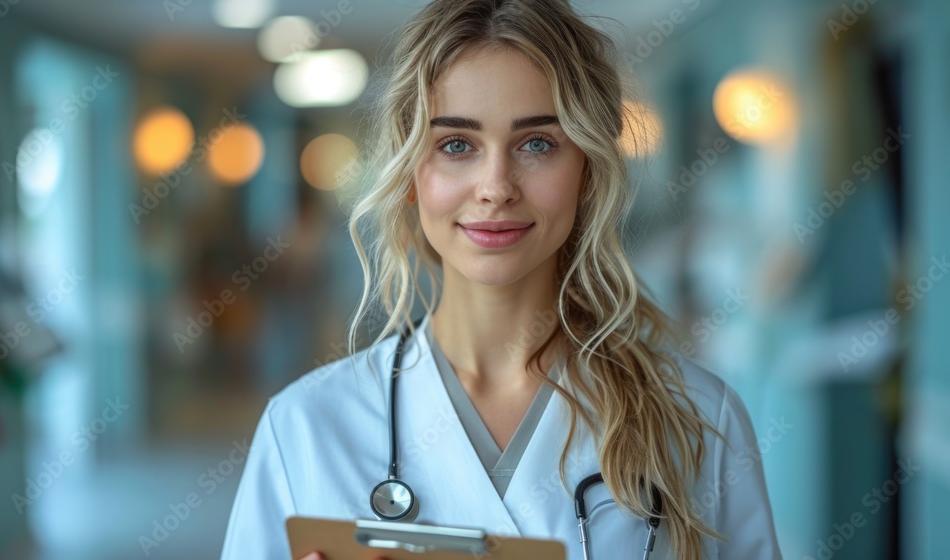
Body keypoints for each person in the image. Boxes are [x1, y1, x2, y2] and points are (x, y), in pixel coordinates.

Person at [219, 0, 783, 559]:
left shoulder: (699, 419)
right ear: (411, 174)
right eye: (456, 145)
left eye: (537, 144)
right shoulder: (307, 427)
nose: (496, 186)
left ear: (586, 170)